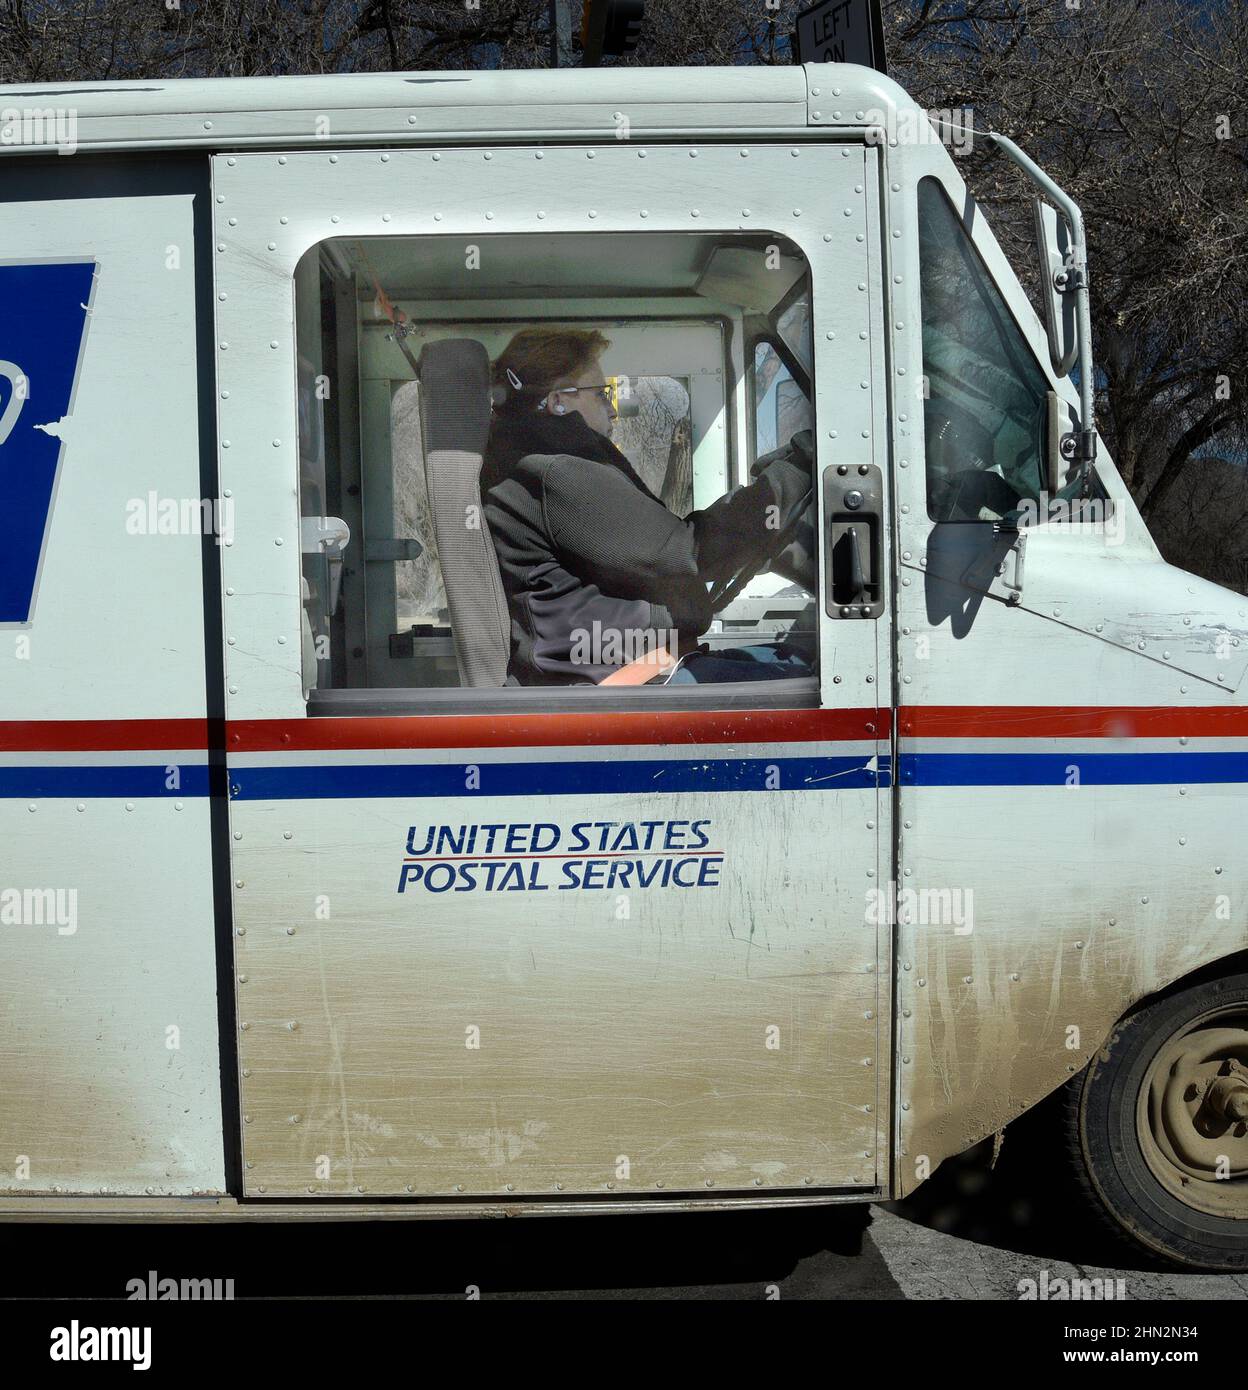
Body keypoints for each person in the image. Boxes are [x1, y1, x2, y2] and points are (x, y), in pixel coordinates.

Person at [479, 327, 816, 686]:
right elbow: (689, 551)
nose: (612, 410)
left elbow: (669, 552)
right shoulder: (555, 468)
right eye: (601, 394)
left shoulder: (541, 463)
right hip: (622, 681)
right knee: (816, 681)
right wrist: (798, 468)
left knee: (799, 659)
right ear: (559, 400)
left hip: (641, 665)